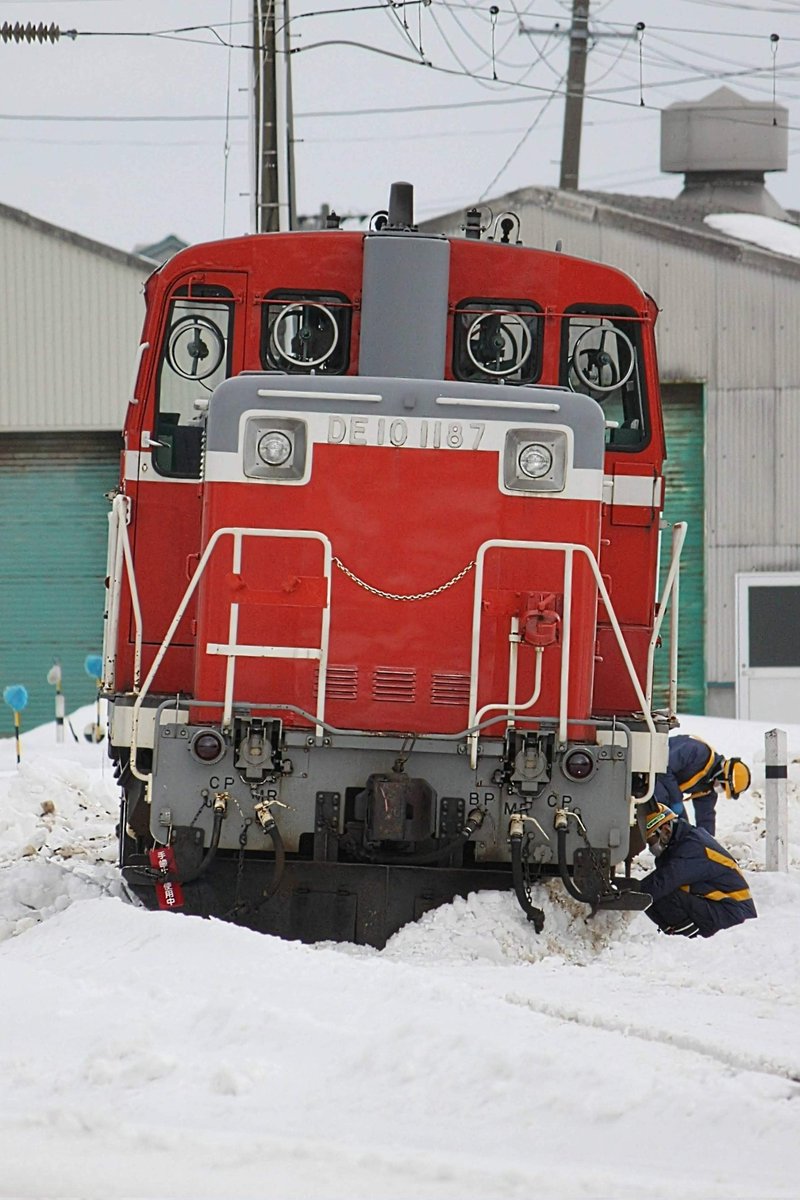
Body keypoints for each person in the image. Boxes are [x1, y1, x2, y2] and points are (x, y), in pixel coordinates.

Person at [638, 803, 757, 938]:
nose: (651, 847)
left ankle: (686, 940)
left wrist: (628, 894)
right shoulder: (680, 844)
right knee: (652, 897)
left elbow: (664, 881)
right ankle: (672, 935)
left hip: (734, 912)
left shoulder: (693, 847)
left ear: (665, 830)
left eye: (651, 841)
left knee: (664, 895)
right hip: (722, 907)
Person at [654, 733, 751, 836]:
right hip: (648, 770)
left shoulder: (707, 787)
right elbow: (663, 767)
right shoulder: (696, 751)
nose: (721, 790)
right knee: (665, 806)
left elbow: (706, 817)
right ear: (723, 776)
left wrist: (708, 842)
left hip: (665, 785)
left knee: (681, 828)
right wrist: (676, 799)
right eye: (724, 787)